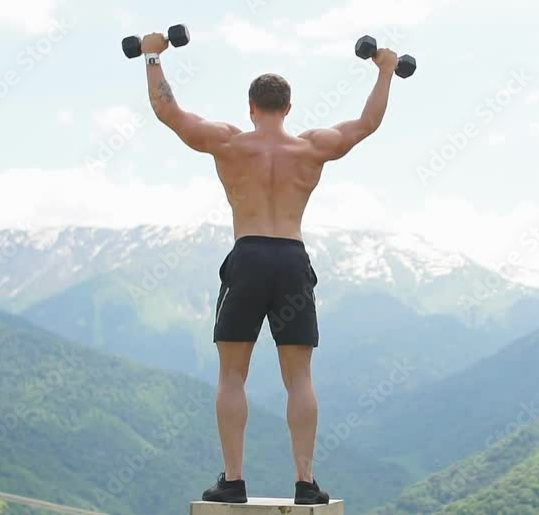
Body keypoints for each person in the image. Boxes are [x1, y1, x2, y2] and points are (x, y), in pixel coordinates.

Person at [138, 31, 400, 504]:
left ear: (251, 107)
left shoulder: (228, 143)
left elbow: (167, 111)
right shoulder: (313, 148)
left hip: (249, 255)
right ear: (289, 107)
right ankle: (306, 484)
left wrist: (153, 53)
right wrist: (385, 68)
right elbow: (368, 122)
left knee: (231, 375)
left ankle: (233, 482)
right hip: (291, 258)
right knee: (299, 377)